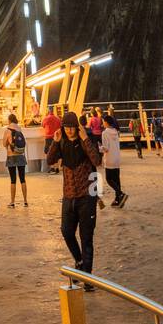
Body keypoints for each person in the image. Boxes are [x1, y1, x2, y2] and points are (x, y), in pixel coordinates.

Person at [47, 112, 101, 283]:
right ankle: (79, 261)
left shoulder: (85, 140)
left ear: (77, 127)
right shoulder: (61, 142)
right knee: (66, 231)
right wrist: (55, 142)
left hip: (87, 196)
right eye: (67, 127)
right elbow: (50, 160)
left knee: (86, 237)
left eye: (72, 127)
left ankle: (88, 277)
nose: (70, 131)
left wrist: (85, 139)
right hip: (69, 196)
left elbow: (96, 160)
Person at [100, 115, 128, 207]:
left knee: (109, 179)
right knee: (116, 179)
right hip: (116, 157)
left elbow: (106, 148)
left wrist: (99, 148)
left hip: (109, 159)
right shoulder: (115, 131)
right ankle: (118, 200)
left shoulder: (105, 133)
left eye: (103, 121)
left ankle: (120, 193)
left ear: (106, 122)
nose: (102, 123)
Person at [3, 113, 28, 207]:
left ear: (9, 120)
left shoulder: (7, 130)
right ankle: (25, 201)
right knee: (23, 179)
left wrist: (8, 145)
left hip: (11, 156)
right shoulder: (19, 128)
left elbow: (4, 144)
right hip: (21, 155)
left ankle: (12, 202)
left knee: (13, 180)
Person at [42, 106, 62, 172]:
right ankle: (57, 167)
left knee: (48, 152)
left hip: (48, 137)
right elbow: (60, 126)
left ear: (48, 111)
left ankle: (52, 167)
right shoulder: (58, 118)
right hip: (56, 137)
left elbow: (43, 125)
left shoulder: (45, 118)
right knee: (56, 152)